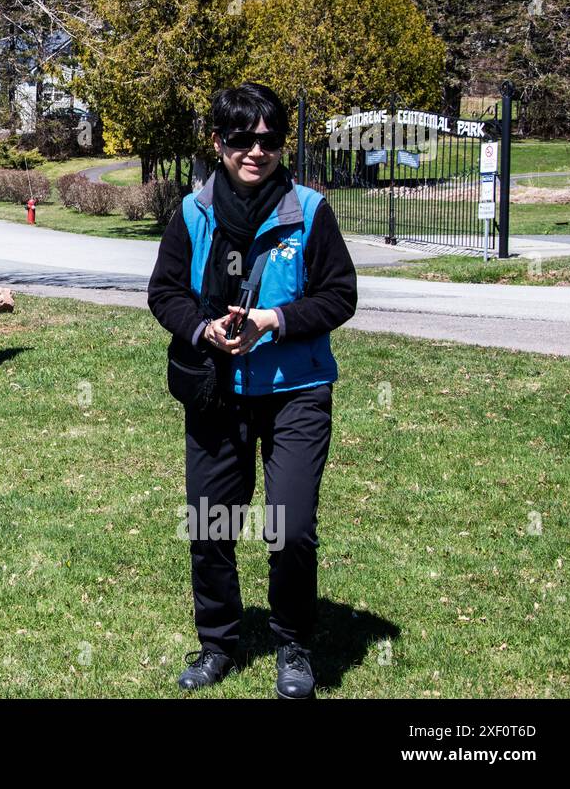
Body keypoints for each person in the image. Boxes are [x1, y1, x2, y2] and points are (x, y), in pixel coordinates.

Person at [147, 83, 358, 698]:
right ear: (219, 142)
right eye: (242, 138)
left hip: (297, 391)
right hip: (217, 390)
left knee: (289, 525)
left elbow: (340, 296)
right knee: (211, 524)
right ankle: (218, 644)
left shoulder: (310, 210)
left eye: (269, 139)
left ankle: (294, 644)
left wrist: (274, 319)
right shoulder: (193, 213)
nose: (256, 151)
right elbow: (165, 292)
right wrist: (203, 327)